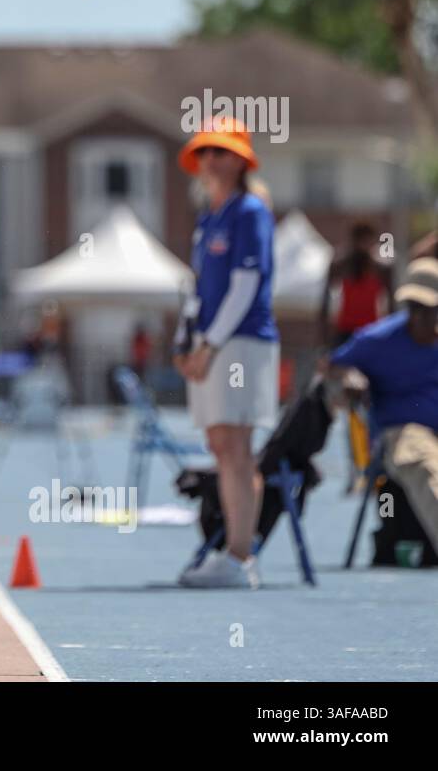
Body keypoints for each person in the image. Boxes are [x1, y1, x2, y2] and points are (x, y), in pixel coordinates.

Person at [174, 116, 279, 589]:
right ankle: (235, 552)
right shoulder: (209, 217)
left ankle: (241, 556)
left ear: (241, 161)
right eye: (204, 152)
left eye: (220, 152)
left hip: (242, 342)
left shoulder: (249, 212)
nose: (210, 160)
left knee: (236, 447)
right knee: (221, 445)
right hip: (213, 342)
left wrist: (210, 346)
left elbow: (245, 285)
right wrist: (186, 342)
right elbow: (199, 289)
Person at [327, 258, 438, 555]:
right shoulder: (378, 339)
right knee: (424, 462)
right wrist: (351, 376)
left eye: (430, 310)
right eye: (415, 308)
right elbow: (331, 367)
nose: (421, 317)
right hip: (403, 433)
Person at [322, 221, 392, 349]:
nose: (363, 246)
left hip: (371, 329)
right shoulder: (340, 265)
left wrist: (390, 333)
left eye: (366, 240)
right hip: (345, 330)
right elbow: (325, 301)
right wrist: (324, 336)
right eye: (360, 240)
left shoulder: (381, 269)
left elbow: (392, 304)